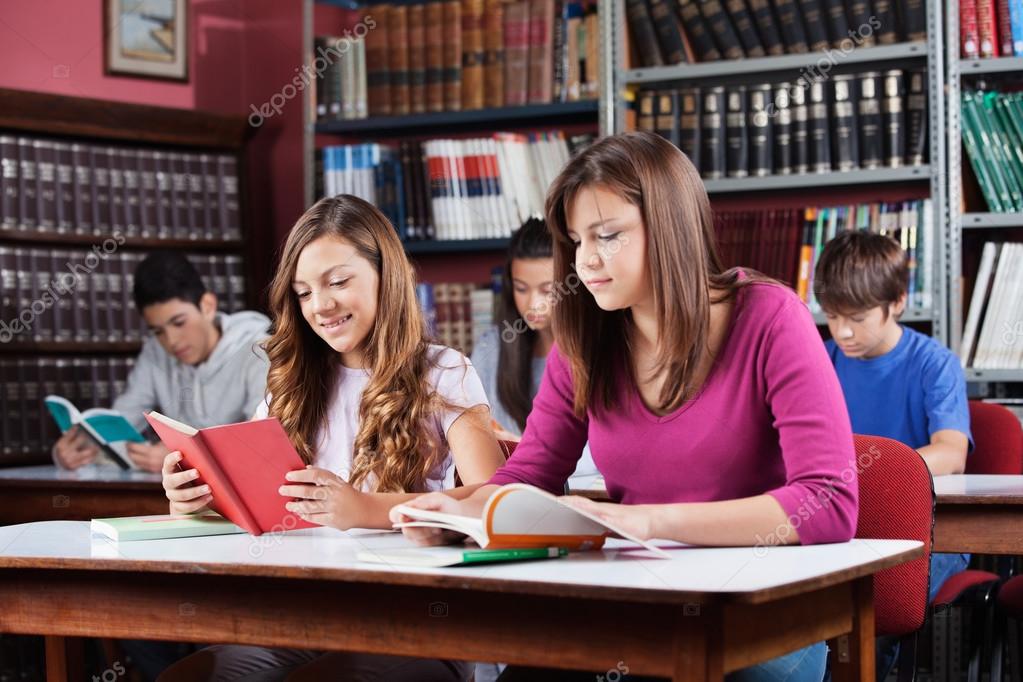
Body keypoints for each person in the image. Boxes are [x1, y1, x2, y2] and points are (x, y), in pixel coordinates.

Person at [395, 131, 859, 682]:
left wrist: (645, 522)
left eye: (608, 235)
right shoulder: (586, 335)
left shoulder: (771, 319)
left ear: (670, 229)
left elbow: (828, 502)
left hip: (766, 614)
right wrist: (458, 515)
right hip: (636, 605)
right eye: (575, 240)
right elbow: (530, 473)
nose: (586, 261)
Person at [159, 194, 505, 681]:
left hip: (418, 624)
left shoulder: (443, 372)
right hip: (306, 619)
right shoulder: (292, 386)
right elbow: (260, 511)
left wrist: (365, 510)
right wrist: (195, 501)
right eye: (302, 292)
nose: (320, 305)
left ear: (389, 275)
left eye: (338, 281)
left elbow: (495, 503)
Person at [814, 230, 972, 679]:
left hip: (926, 532)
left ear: (897, 301)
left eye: (858, 318)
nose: (842, 332)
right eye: (831, 316)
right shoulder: (819, 361)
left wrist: (872, 474)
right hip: (841, 526)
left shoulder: (934, 363)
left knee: (877, 602)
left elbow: (951, 452)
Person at [52, 251, 270, 473]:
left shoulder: (260, 350)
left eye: (179, 322)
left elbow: (264, 442)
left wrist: (187, 458)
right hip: (178, 493)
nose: (172, 341)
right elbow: (120, 424)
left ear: (207, 305)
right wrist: (80, 451)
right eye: (158, 331)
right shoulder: (155, 352)